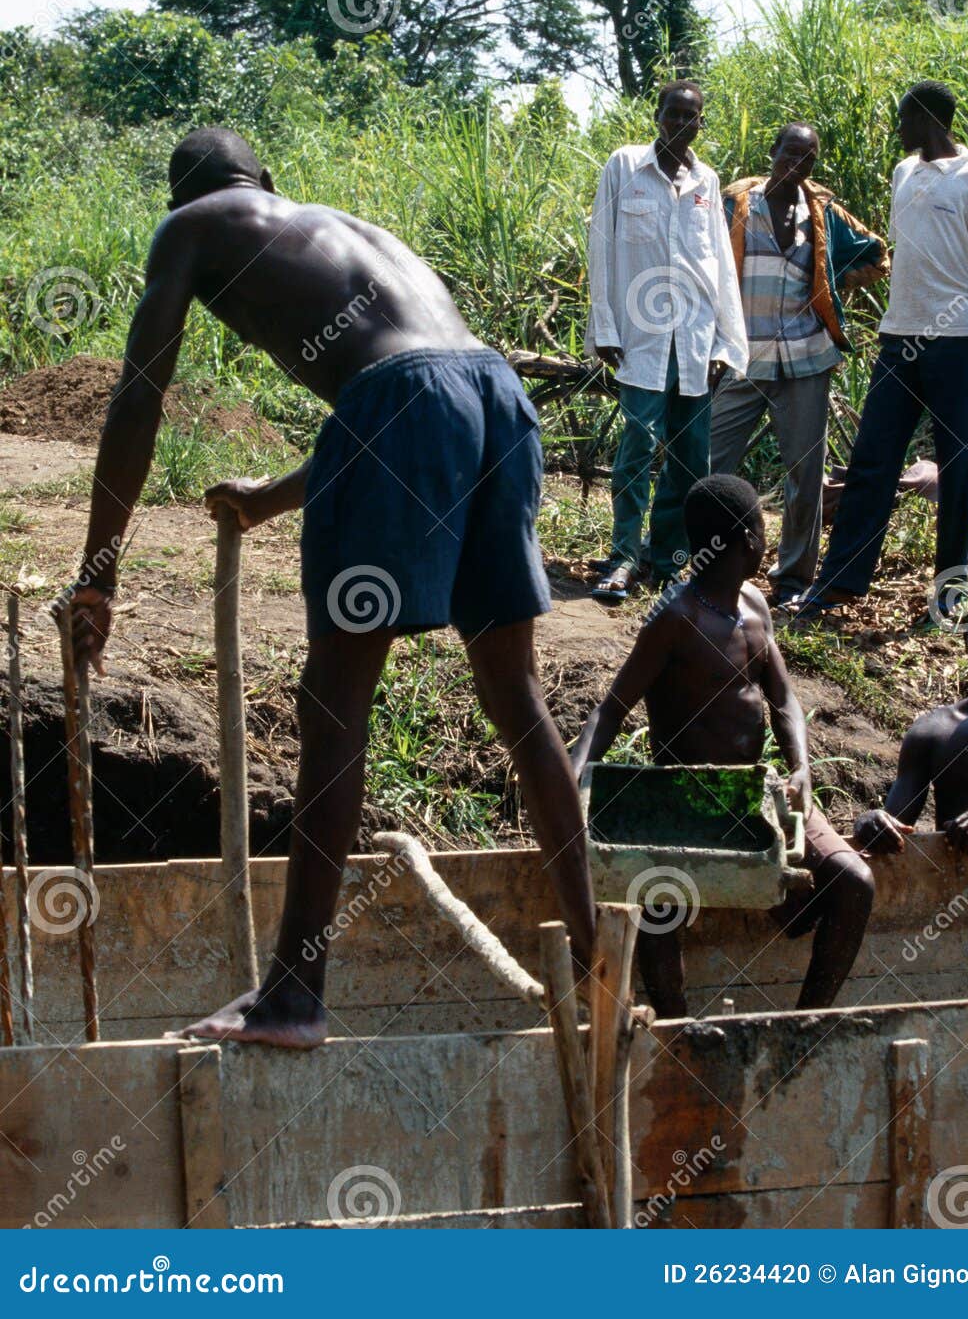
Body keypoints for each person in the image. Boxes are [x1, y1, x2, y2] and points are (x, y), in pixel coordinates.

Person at [66, 126, 595, 1047]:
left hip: (404, 406)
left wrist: (98, 573)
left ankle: (295, 994)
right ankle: (596, 960)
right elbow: (417, 379)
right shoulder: (344, 229)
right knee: (514, 693)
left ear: (179, 197)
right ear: (267, 179)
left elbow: (138, 396)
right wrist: (274, 498)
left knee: (333, 705)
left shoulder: (190, 225)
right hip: (496, 395)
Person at [570, 474, 874, 1015]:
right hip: (690, 798)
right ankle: (675, 1023)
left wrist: (801, 767)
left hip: (756, 792)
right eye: (763, 526)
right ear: (752, 539)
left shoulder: (755, 605)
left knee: (854, 882)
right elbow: (612, 707)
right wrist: (573, 776)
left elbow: (783, 698)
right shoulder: (675, 618)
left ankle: (807, 1020)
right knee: (657, 904)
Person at [796, 81, 968, 623]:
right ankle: (840, 582)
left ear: (926, 117)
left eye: (902, 117)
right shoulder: (903, 172)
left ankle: (948, 595)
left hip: (958, 340)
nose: (897, 127)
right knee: (872, 459)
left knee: (957, 468)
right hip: (899, 339)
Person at [710, 123, 887, 605]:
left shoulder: (822, 211)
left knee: (805, 474)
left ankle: (792, 578)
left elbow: (875, 253)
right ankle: (701, 561)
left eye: (808, 157)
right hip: (746, 356)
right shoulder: (736, 204)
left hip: (807, 358)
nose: (798, 163)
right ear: (772, 152)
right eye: (790, 152)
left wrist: (827, 285)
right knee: (712, 460)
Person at [586, 81, 748, 602]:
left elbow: (720, 264)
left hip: (696, 341)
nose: (680, 123)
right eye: (672, 114)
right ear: (658, 116)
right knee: (636, 448)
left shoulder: (706, 179)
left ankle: (672, 560)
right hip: (641, 338)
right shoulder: (624, 167)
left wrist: (727, 341)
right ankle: (624, 558)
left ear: (701, 122)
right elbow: (601, 246)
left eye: (690, 116)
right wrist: (605, 327)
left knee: (689, 459)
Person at [855, 581, 968, 856]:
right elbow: (896, 828)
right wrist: (872, 824)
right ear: (965, 640)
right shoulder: (934, 732)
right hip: (952, 888)